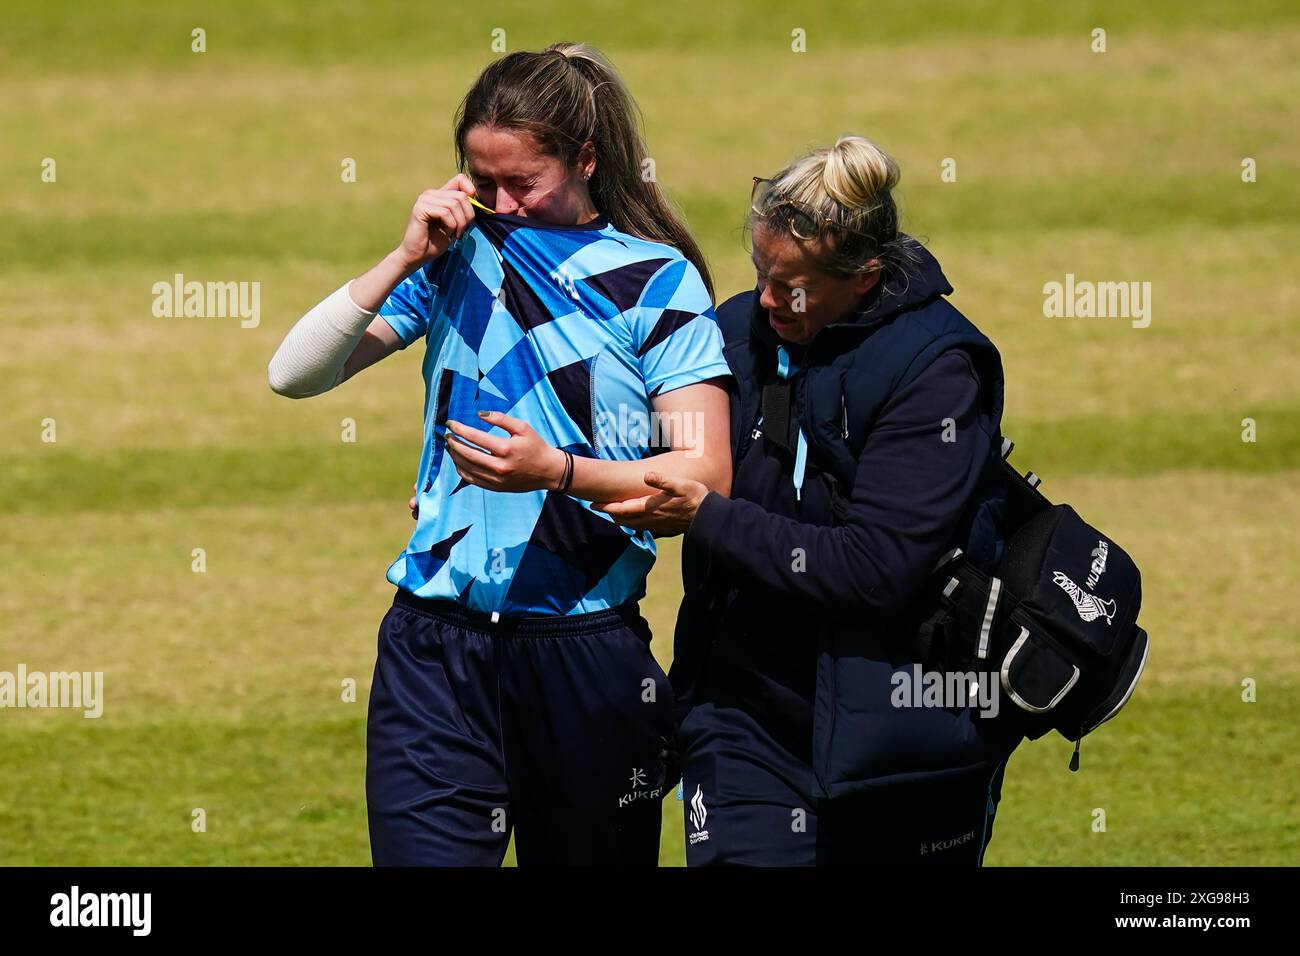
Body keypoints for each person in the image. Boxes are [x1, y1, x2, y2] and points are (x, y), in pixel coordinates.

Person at [266, 42, 731, 866]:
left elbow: (703, 476)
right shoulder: (452, 257)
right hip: (432, 653)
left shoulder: (655, 280)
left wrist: (557, 472)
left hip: (583, 652)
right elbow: (294, 374)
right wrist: (407, 252)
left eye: (524, 181)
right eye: (484, 182)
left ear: (585, 159)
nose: (503, 205)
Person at [597, 135, 1025, 865]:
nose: (768, 300)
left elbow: (877, 567)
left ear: (866, 277)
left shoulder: (937, 371)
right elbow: (640, 458)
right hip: (742, 724)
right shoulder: (735, 334)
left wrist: (710, 517)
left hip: (906, 731)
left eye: (792, 286)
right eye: (762, 272)